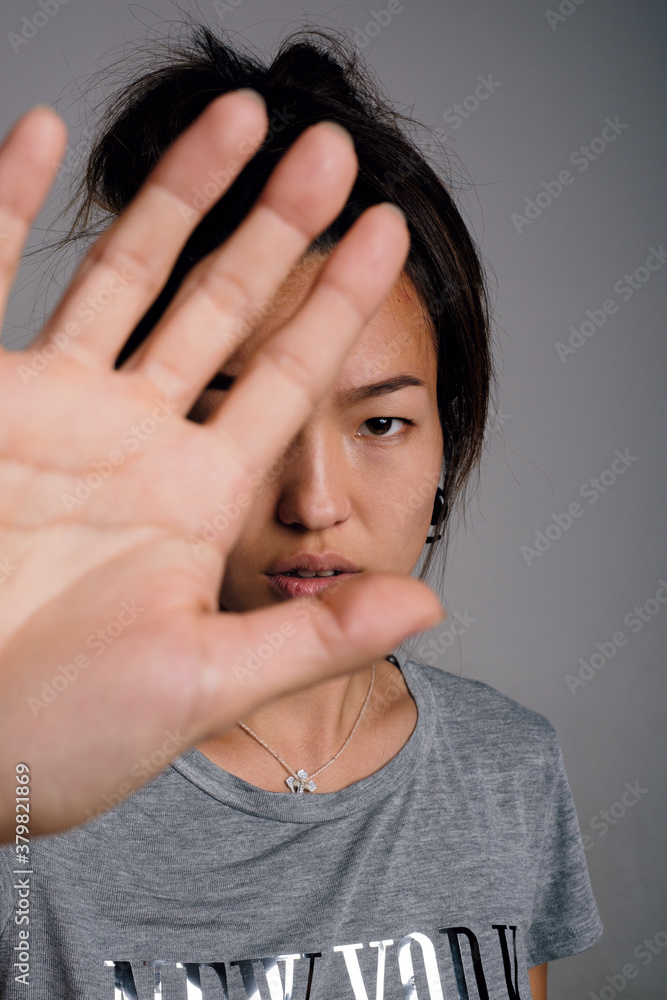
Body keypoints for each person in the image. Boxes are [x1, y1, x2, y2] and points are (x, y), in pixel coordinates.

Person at [0, 23, 601, 1000]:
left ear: (447, 442)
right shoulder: (28, 791)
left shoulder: (509, 765)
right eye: (239, 418)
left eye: (382, 423)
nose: (314, 502)